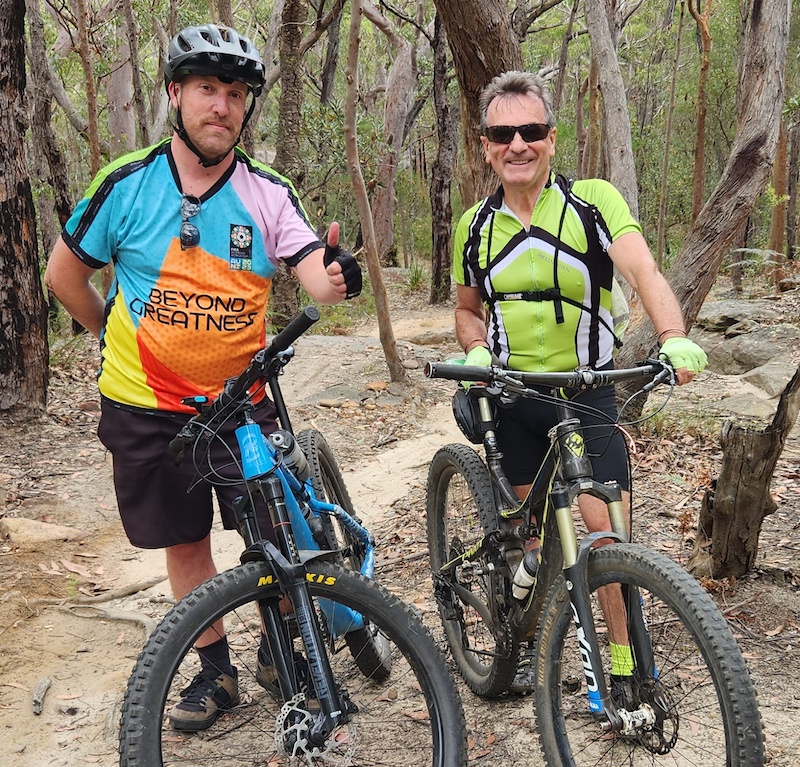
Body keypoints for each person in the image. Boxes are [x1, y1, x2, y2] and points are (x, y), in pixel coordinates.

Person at [44, 24, 362, 731]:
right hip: (146, 407)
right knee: (185, 541)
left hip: (242, 406)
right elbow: (64, 276)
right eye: (208, 89)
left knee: (277, 529)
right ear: (175, 94)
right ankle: (216, 669)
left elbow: (316, 272)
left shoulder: (266, 192)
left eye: (236, 94)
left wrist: (337, 274)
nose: (222, 105)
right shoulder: (125, 184)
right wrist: (111, 335)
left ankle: (291, 655)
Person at [452, 71, 706, 694]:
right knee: (528, 531)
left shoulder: (593, 202)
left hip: (586, 391)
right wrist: (476, 349)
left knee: (604, 534)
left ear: (552, 139)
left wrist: (671, 334)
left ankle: (620, 665)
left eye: (531, 131)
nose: (518, 144)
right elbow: (465, 309)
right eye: (502, 133)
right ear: (484, 145)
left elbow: (642, 269)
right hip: (510, 396)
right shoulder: (474, 228)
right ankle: (525, 601)